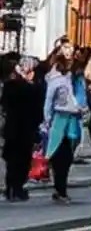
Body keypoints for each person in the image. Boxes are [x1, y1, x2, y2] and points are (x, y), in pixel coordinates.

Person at [41, 54, 87, 203]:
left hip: (72, 120)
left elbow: (76, 99)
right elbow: (48, 102)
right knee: (60, 157)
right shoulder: (55, 81)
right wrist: (47, 120)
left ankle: (61, 188)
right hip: (59, 119)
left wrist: (80, 109)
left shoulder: (72, 80)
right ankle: (60, 189)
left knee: (66, 157)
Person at [1, 57, 40, 201]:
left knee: (12, 160)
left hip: (12, 129)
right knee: (22, 161)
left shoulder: (9, 86)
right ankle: (17, 188)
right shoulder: (33, 88)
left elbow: (4, 105)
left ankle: (10, 188)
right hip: (26, 130)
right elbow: (37, 111)